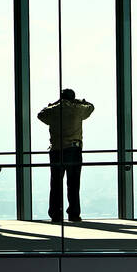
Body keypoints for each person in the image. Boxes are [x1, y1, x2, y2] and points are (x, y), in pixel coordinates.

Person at [37, 88, 94, 224]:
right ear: (72, 98)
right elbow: (91, 107)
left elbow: (40, 115)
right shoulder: (77, 109)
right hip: (73, 150)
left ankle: (56, 214)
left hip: (56, 150)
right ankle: (74, 214)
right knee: (73, 184)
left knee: (56, 183)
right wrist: (80, 101)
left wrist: (54, 103)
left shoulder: (53, 110)